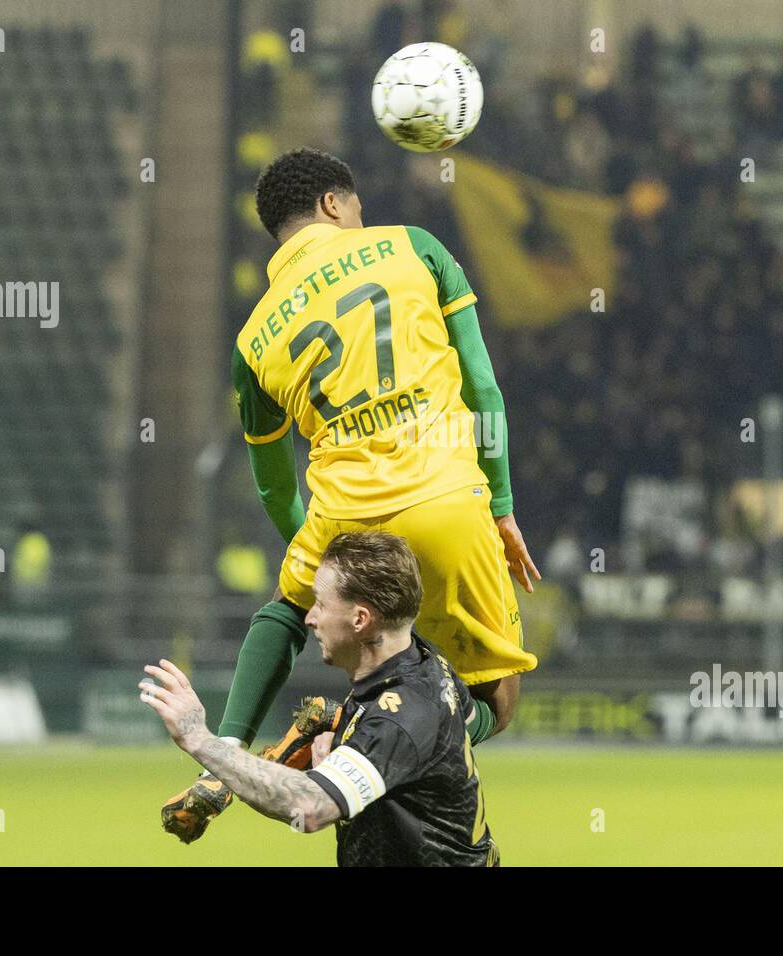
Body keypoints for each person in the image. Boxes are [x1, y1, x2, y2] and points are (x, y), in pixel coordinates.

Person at [158, 147, 540, 842]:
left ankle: (228, 756)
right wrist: (502, 504)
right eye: (355, 207)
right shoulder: (413, 248)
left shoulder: (252, 342)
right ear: (335, 205)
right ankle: (357, 734)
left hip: (344, 513)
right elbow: (484, 389)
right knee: (496, 701)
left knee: (283, 607)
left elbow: (273, 480)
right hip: (447, 497)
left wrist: (329, 569)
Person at [142, 532, 499, 866]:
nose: (310, 618)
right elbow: (450, 735)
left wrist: (200, 740)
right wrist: (351, 747)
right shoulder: (424, 662)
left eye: (321, 605)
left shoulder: (399, 715)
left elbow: (308, 810)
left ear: (360, 619)